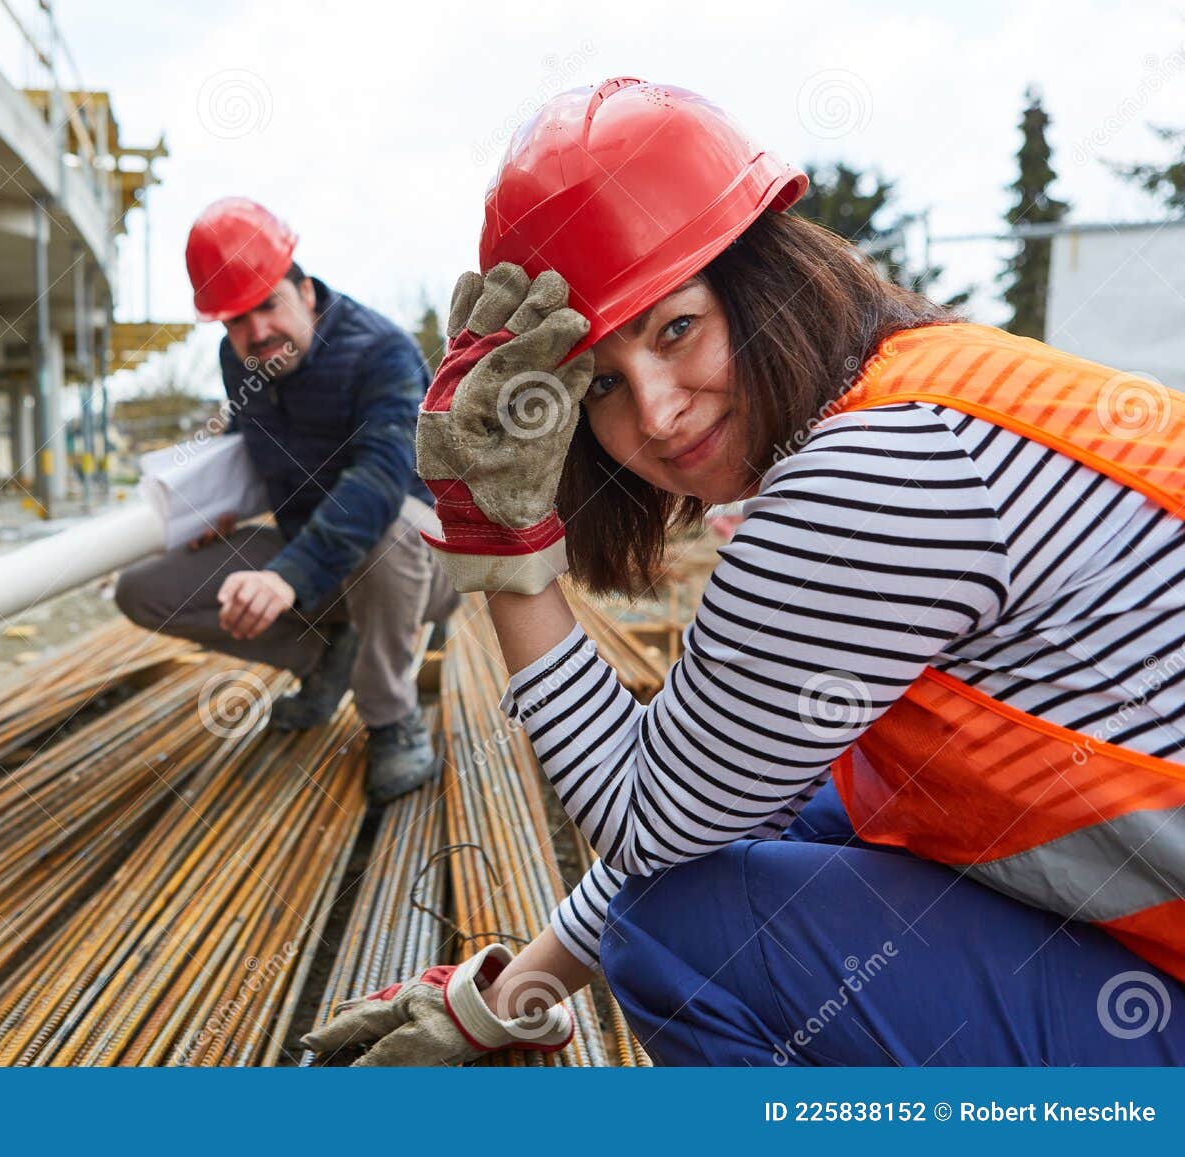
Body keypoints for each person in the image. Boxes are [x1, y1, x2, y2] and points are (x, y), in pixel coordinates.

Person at [302, 79, 1185, 1065]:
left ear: (764, 279)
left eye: (676, 328)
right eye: (602, 382)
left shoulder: (870, 478)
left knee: (680, 936)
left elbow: (647, 823)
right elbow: (716, 804)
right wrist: (510, 996)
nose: (657, 412)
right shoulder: (929, 386)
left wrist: (507, 552)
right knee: (830, 802)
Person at [115, 197, 458, 803]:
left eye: (268, 305)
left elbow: (381, 476)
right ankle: (327, 657)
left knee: (386, 531)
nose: (256, 333)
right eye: (235, 321)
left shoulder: (382, 352)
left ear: (304, 289)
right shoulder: (241, 360)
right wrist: (213, 510)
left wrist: (286, 577)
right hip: (316, 557)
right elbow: (250, 445)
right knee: (144, 589)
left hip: (418, 561)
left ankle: (391, 716)